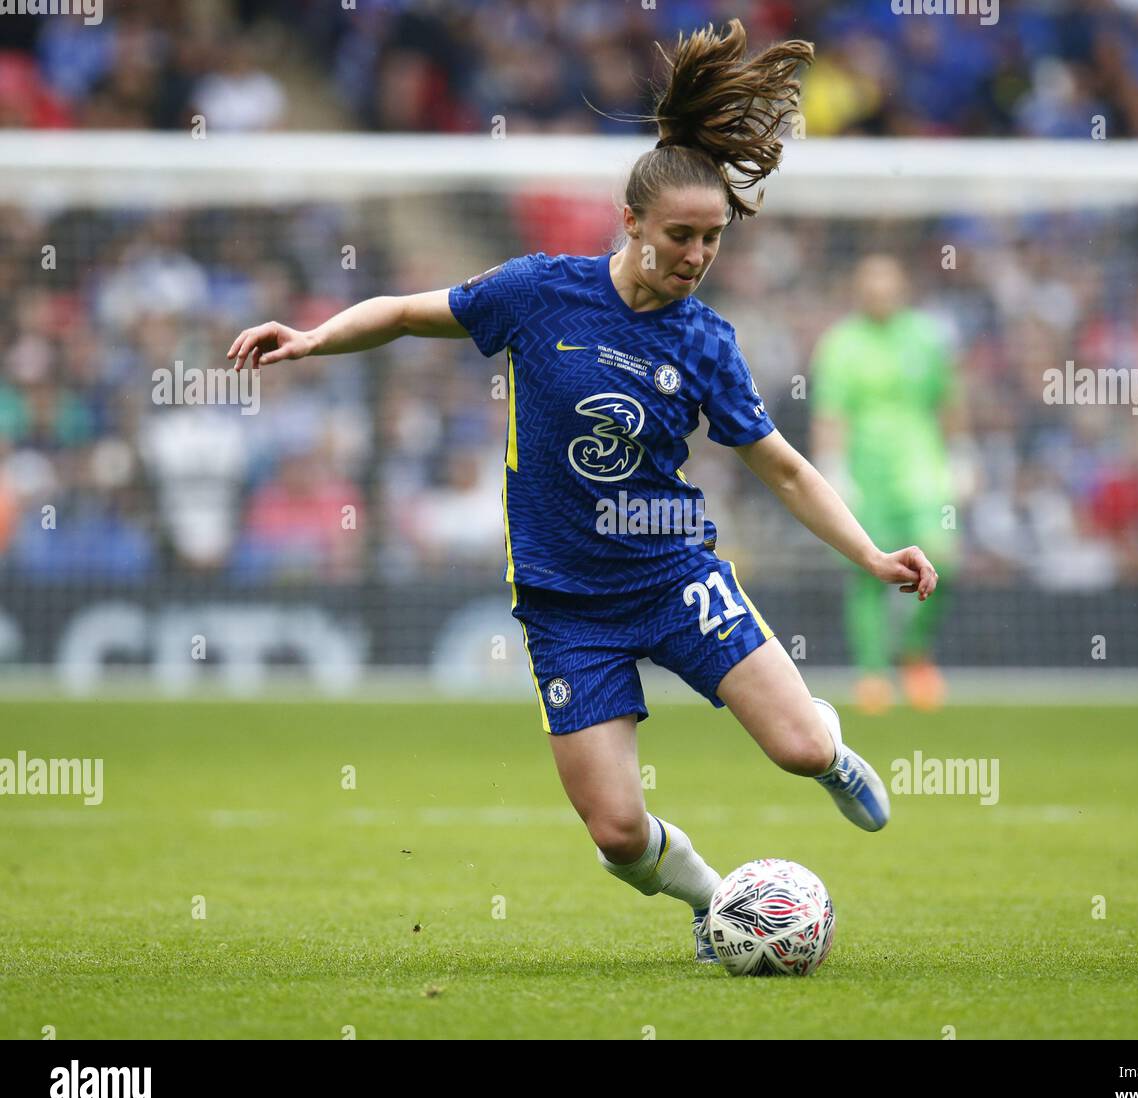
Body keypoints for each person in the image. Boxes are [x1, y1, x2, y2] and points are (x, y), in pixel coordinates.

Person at [226, 19, 937, 965]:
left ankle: (834, 748)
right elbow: (401, 313)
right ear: (630, 222)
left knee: (801, 751)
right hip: (567, 603)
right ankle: (719, 902)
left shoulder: (707, 343)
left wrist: (872, 554)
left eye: (713, 240)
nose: (695, 257)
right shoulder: (538, 293)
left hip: (673, 572)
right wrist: (314, 337)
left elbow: (784, 466)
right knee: (615, 837)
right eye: (679, 236)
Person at [811, 253, 959, 714]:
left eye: (887, 284)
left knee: (944, 559)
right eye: (870, 285)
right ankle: (873, 672)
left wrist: (962, 455)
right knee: (867, 572)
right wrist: (832, 468)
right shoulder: (841, 343)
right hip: (865, 474)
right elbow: (830, 412)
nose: (879, 294)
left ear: (901, 287)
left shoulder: (926, 337)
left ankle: (914, 652)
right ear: (860, 290)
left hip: (922, 473)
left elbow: (949, 401)